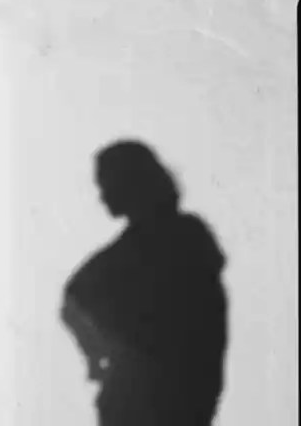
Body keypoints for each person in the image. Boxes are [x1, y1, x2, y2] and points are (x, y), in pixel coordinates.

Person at [61, 140, 228, 426]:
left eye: (106, 184)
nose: (102, 195)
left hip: (154, 402)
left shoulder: (154, 245)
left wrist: (99, 355)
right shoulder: (178, 240)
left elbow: (76, 295)